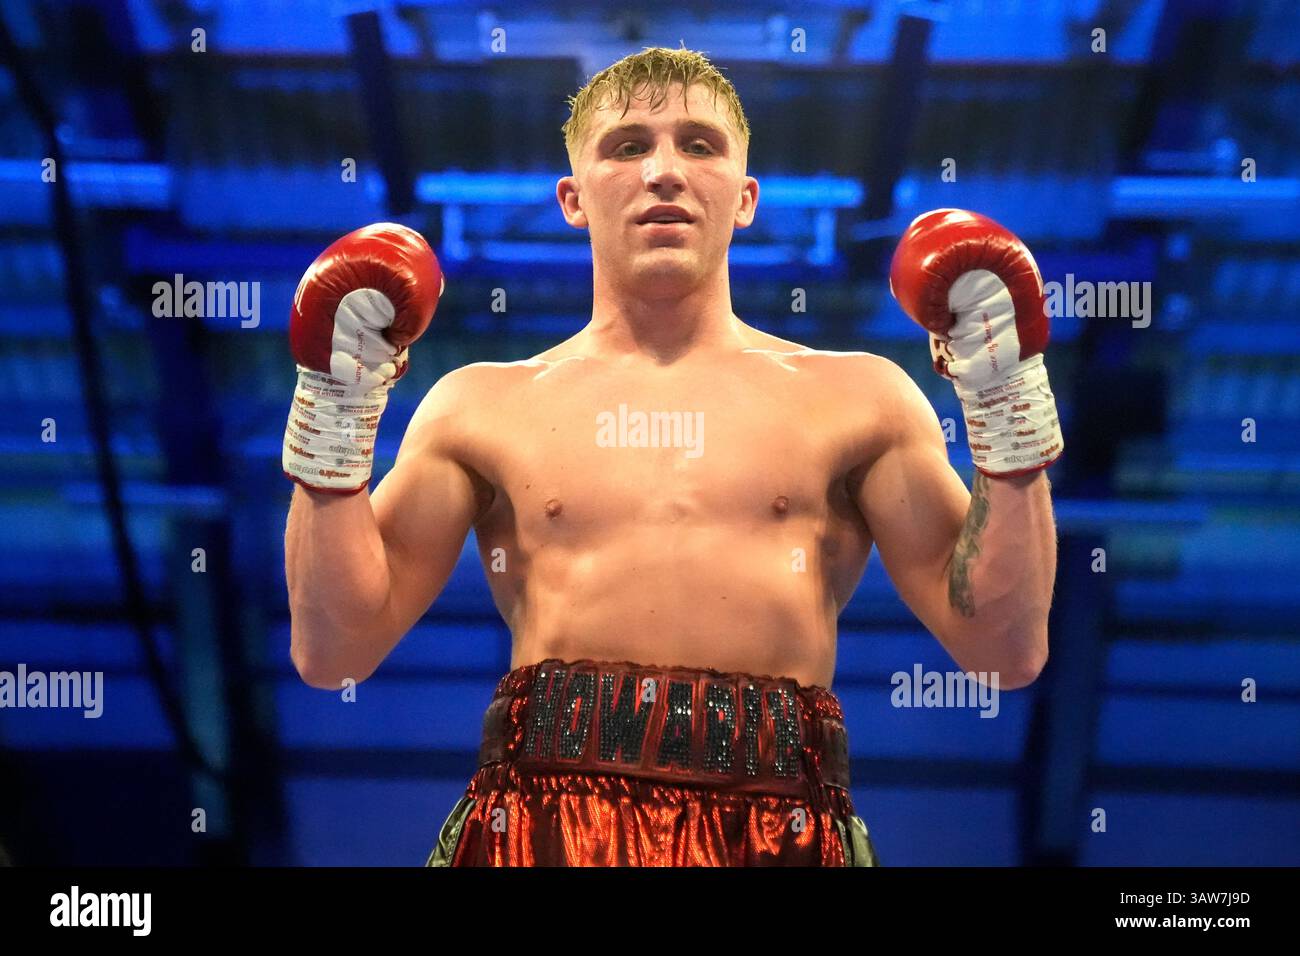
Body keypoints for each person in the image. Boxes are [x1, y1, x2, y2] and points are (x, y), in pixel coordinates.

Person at [282, 47, 1062, 866]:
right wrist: (335, 409)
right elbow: (334, 649)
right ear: (573, 199)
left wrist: (1005, 396)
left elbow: (1005, 650)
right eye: (628, 146)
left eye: (699, 144)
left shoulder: (861, 398)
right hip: (543, 827)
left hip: (778, 827)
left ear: (747, 197)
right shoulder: (481, 405)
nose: (664, 172)